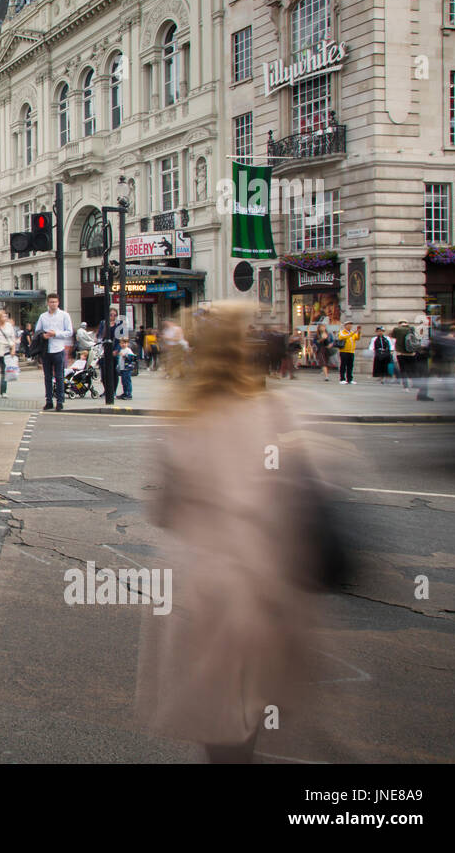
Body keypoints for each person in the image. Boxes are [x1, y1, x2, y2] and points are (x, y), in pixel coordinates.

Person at [137, 302, 320, 763]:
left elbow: (162, 510)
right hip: (266, 578)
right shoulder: (273, 411)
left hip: (207, 586)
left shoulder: (181, 419)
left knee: (221, 717)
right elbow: (299, 496)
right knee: (254, 703)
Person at [36, 293, 73, 411]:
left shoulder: (64, 315)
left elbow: (69, 332)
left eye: (55, 302)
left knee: (59, 377)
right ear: (48, 303)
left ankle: (60, 401)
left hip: (58, 349)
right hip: (47, 350)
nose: (53, 304)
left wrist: (56, 334)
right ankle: (49, 401)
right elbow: (37, 331)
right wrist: (44, 336)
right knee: (47, 377)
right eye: (51, 302)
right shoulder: (43, 316)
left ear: (58, 303)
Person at [96, 308, 131, 400]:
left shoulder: (119, 324)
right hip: (104, 350)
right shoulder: (103, 323)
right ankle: (106, 390)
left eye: (115, 315)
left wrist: (117, 350)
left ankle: (113, 391)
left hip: (114, 350)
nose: (112, 317)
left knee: (113, 372)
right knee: (103, 373)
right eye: (111, 314)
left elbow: (121, 338)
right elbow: (99, 336)